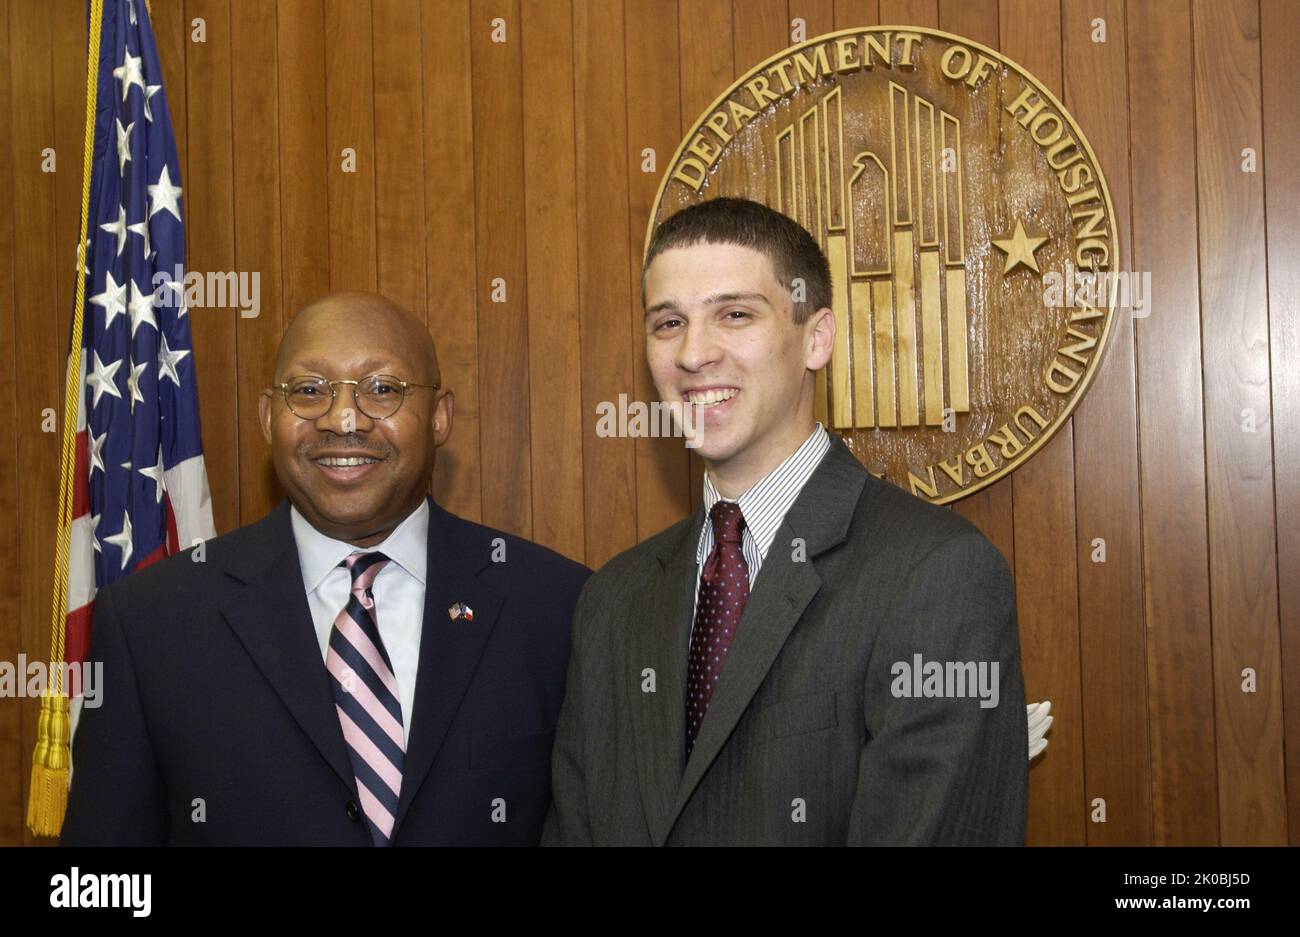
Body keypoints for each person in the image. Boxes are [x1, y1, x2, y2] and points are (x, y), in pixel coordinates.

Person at [543, 197, 1028, 845]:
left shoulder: (937, 575)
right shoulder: (612, 599)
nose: (692, 353)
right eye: (667, 322)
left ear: (816, 338)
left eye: (734, 314)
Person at [62, 291, 589, 845]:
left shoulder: (558, 608)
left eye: (382, 389)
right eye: (309, 391)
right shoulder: (152, 624)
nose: (342, 420)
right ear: (268, 417)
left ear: (439, 417)